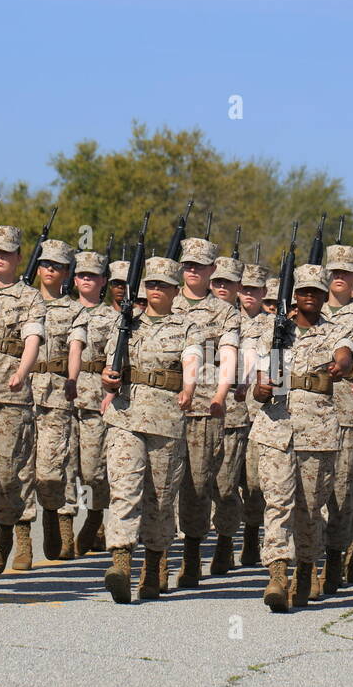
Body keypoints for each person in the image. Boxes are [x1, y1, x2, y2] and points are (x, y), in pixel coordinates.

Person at [250, 264, 353, 611]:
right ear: (295, 295)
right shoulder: (274, 330)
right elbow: (258, 377)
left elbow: (346, 355)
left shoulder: (335, 331)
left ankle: (307, 567)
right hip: (276, 428)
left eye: (316, 291)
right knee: (277, 502)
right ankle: (277, 574)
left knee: (310, 508)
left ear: (325, 296)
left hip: (317, 432)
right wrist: (260, 387)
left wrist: (342, 364)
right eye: (303, 291)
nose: (309, 296)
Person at [100, 257, 203, 602]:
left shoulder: (187, 326)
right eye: (151, 284)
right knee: (125, 487)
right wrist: (106, 378)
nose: (156, 289)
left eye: (163, 285)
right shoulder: (127, 322)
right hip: (125, 416)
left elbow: (192, 358)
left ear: (175, 290)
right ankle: (121, 562)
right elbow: (109, 364)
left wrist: (188, 388)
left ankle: (155, 563)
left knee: (160, 498)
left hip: (165, 420)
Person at [172, 238, 239, 588]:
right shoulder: (166, 302)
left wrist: (220, 394)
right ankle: (155, 555)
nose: (193, 269)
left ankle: (192, 555)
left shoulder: (225, 312)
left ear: (214, 270)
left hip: (203, 407)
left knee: (198, 484)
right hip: (163, 406)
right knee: (158, 484)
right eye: (188, 264)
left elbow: (228, 356)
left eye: (200, 265)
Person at [0, 225, 45, 576]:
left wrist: (22, 370)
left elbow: (33, 338)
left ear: (19, 257)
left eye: (6, 253)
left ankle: (13, 536)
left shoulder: (29, 297)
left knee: (10, 474)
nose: (0, 259)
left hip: (11, 396)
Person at [320, 243, 353, 597]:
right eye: (333, 271)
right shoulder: (306, 310)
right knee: (310, 492)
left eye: (345, 272)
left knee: (340, 491)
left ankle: (334, 559)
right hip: (305, 413)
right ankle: (305, 559)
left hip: (348, 414)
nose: (339, 277)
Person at [30, 239, 81, 560]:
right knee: (18, 471)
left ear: (66, 273)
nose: (50, 270)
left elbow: (76, 349)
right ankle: (17, 539)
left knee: (51, 468)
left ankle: (54, 516)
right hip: (17, 394)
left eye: (58, 266)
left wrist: (72, 381)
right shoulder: (22, 303)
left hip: (56, 395)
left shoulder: (75, 310)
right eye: (46, 264)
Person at [67, 251, 118, 554]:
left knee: (92, 470)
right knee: (60, 467)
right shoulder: (61, 311)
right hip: (59, 396)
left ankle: (95, 515)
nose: (86, 279)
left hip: (94, 398)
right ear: (74, 279)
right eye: (81, 274)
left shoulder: (112, 318)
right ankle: (63, 525)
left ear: (103, 281)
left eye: (92, 275)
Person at [207, 255, 249, 577]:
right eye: (217, 281)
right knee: (193, 485)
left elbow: (279, 375)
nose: (222, 287)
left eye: (228, 282)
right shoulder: (196, 315)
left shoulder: (261, 324)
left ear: (238, 286)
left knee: (225, 485)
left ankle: (225, 542)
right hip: (196, 410)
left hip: (236, 413)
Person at [237, 264, 271, 568]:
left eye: (254, 289)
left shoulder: (273, 326)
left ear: (264, 292)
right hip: (226, 411)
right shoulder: (225, 321)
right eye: (244, 288)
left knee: (255, 480)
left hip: (259, 412)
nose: (249, 294)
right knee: (222, 482)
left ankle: (251, 535)